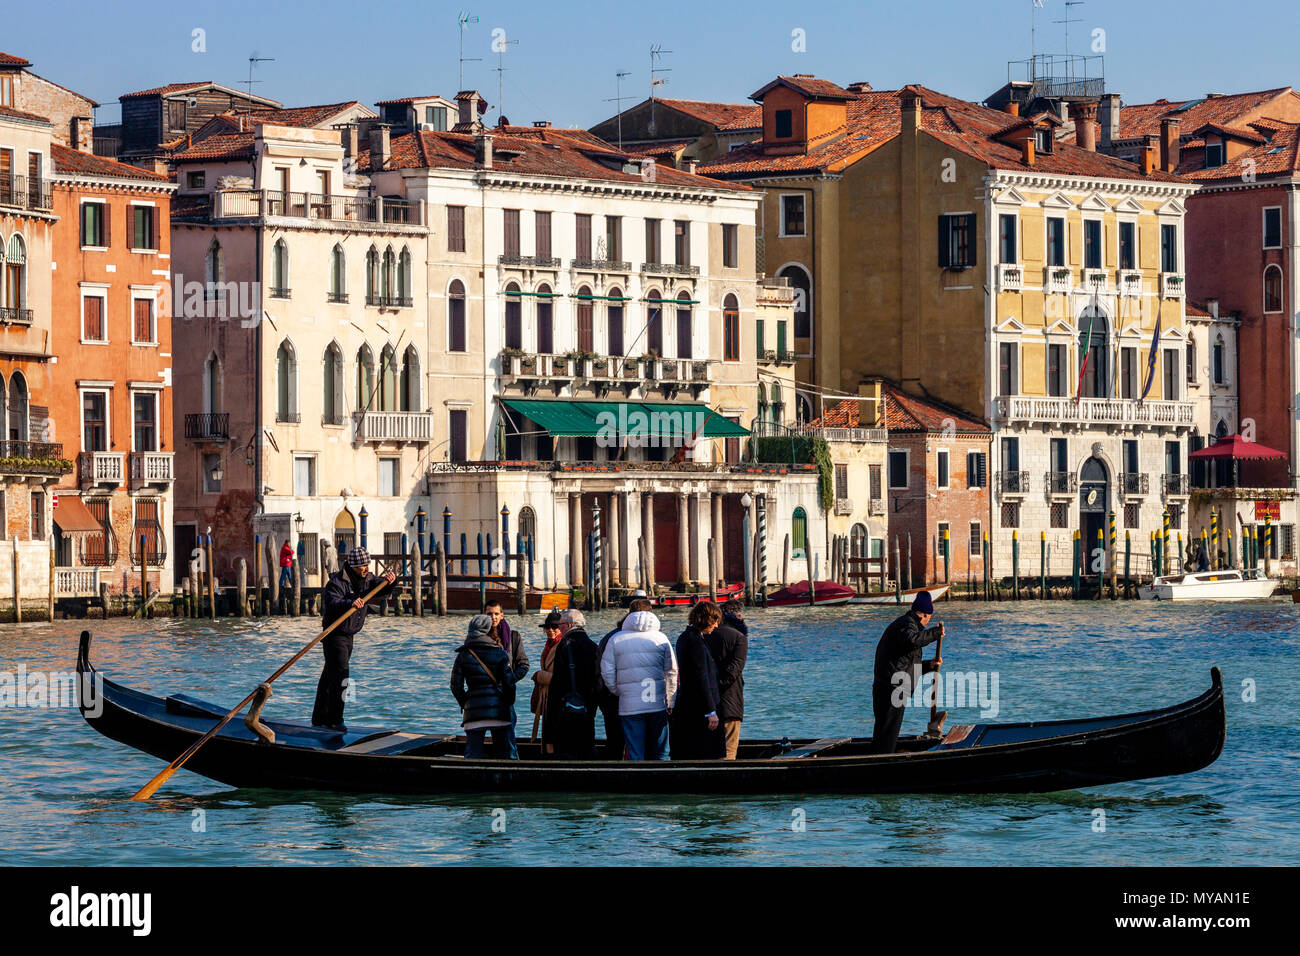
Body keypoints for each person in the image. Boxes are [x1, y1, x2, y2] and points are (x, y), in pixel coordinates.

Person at [311, 548, 396, 731]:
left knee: (329, 675)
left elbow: (380, 587)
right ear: (353, 566)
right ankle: (335, 719)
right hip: (334, 636)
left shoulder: (367, 578)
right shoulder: (336, 582)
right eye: (361, 566)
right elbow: (332, 604)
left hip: (349, 635)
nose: (365, 568)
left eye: (366, 565)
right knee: (342, 675)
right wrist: (350, 602)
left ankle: (319, 718)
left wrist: (389, 582)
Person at [870, 590, 943, 754]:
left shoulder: (907, 626)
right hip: (892, 688)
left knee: (885, 732)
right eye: (929, 617)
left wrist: (929, 665)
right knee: (887, 732)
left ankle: (880, 756)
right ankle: (882, 762)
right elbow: (913, 640)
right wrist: (935, 633)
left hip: (892, 686)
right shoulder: (906, 625)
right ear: (925, 614)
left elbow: (907, 663)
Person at [599, 608, 677, 760]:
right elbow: (672, 671)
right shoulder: (661, 638)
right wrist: (671, 700)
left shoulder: (616, 639)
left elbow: (606, 671)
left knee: (635, 751)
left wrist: (618, 690)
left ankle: (636, 779)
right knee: (661, 750)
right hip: (657, 703)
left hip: (629, 705)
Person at [450, 614, 518, 758]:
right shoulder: (500, 654)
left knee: (473, 754)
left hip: (473, 711)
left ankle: (473, 778)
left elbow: (455, 686)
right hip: (499, 710)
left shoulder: (463, 655)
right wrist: (507, 702)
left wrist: (466, 702)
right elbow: (509, 684)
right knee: (503, 755)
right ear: (489, 630)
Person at [595, 598, 653, 758]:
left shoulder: (610, 637)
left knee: (616, 743)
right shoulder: (653, 638)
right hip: (639, 699)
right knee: (639, 743)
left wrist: (608, 696)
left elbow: (601, 673)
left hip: (614, 698)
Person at [671, 602, 725, 760]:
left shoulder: (685, 637)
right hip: (700, 709)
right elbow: (701, 677)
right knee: (707, 751)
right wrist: (711, 711)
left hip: (689, 704)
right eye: (714, 621)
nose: (716, 626)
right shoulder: (696, 642)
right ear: (705, 619)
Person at [542, 609, 600, 759]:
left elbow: (558, 681)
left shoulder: (565, 645)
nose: (559, 628)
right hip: (588, 704)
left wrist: (553, 709)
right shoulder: (594, 645)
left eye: (560, 624)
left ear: (568, 625)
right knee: (587, 743)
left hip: (567, 704)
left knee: (567, 746)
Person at [484, 599, 529, 757]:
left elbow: (523, 665)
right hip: (486, 694)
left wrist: (509, 679)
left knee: (509, 737)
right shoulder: (480, 638)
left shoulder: (513, 637)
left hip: (506, 694)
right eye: (490, 614)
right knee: (495, 738)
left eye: (496, 613)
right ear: (484, 615)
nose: (493, 617)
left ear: (502, 615)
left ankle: (512, 769)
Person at [706, 600, 749, 759]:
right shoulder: (739, 638)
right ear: (739, 616)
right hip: (730, 700)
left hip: (706, 702)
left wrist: (709, 689)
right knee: (729, 750)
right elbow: (734, 670)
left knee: (709, 750)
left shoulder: (705, 634)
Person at [531, 610, 565, 748]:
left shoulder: (563, 645)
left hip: (557, 695)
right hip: (547, 695)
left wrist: (540, 676)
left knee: (555, 731)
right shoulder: (548, 645)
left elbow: (562, 676)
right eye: (547, 627)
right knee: (548, 731)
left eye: (554, 627)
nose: (550, 630)